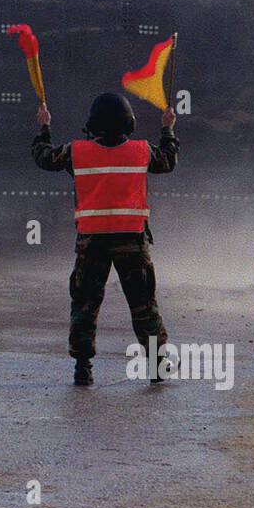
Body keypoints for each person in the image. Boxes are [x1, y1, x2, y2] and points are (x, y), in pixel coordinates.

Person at [32, 93, 179, 386]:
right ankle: (157, 365)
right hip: (132, 241)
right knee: (143, 304)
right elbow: (168, 161)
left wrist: (45, 126)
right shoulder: (141, 151)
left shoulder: (77, 152)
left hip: (92, 242)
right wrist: (167, 128)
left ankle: (83, 367)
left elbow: (43, 157)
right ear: (129, 122)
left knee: (85, 304)